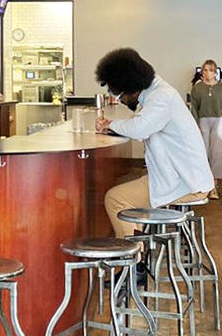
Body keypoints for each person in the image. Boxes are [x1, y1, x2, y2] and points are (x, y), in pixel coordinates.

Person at [95, 48, 213, 243]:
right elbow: (142, 124)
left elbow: (140, 128)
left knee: (115, 199)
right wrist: (114, 127)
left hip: (187, 183)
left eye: (119, 95)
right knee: (128, 195)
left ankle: (132, 266)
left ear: (131, 87)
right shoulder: (158, 93)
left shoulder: (161, 97)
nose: (121, 101)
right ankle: (137, 257)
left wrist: (111, 124)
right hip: (181, 176)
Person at [190, 58, 222, 199]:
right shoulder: (197, 88)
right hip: (203, 121)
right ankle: (203, 185)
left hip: (218, 122)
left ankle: (214, 186)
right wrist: (195, 124)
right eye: (205, 70)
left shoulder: (221, 87)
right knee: (203, 152)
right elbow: (194, 108)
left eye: (210, 70)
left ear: (215, 72)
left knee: (216, 153)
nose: (207, 72)